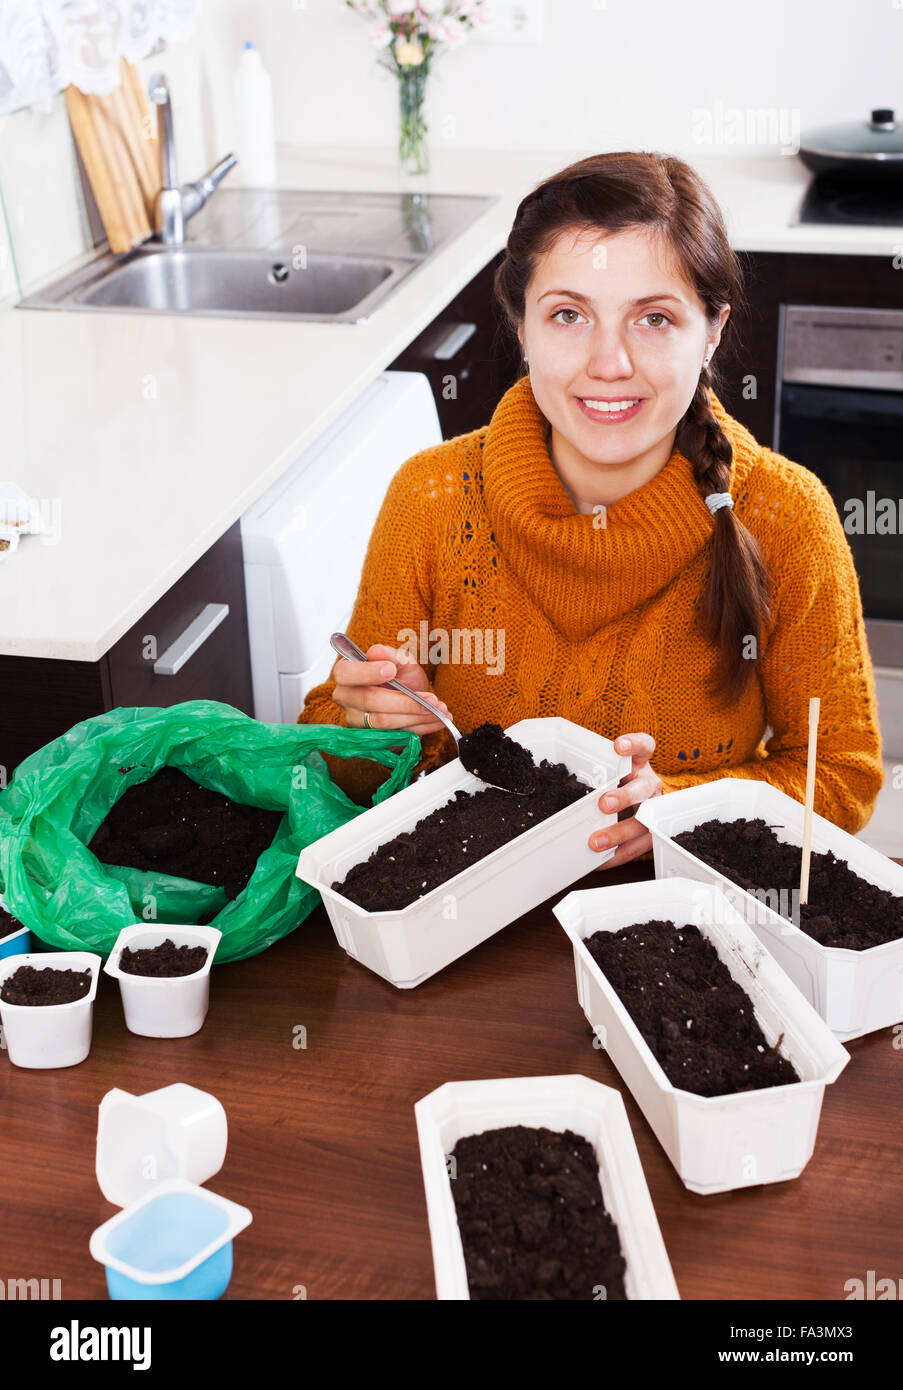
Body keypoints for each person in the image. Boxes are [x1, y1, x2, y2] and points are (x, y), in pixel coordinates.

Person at [297, 151, 883, 867]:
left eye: (654, 319)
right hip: (462, 921)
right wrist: (373, 724)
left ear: (712, 331)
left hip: (683, 923)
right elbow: (334, 754)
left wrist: (682, 809)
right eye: (569, 315)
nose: (608, 362)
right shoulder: (431, 497)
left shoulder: (786, 516)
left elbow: (840, 777)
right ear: (520, 326)